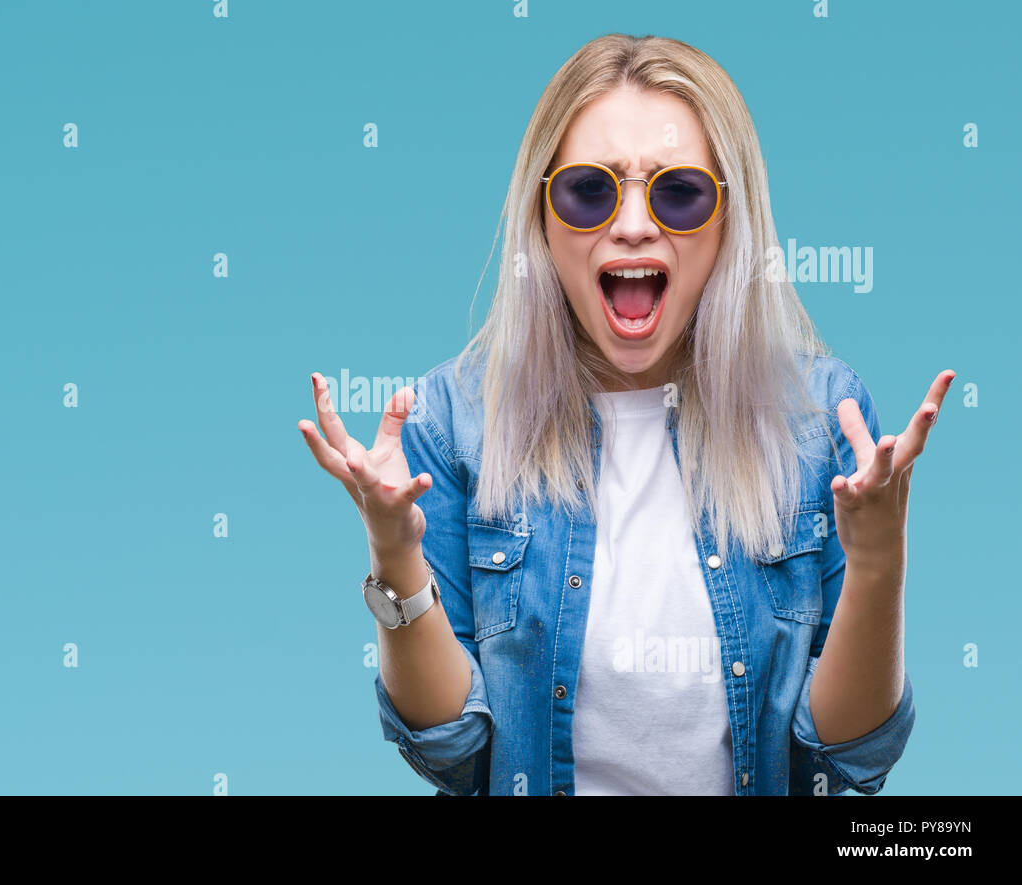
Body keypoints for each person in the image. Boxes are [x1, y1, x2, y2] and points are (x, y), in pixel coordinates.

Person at [297, 33, 952, 796]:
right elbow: (452, 751)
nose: (635, 225)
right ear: (542, 216)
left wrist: (878, 563)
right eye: (589, 190)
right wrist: (394, 555)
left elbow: (850, 757)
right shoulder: (454, 422)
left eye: (678, 192)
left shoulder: (817, 416)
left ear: (728, 221)